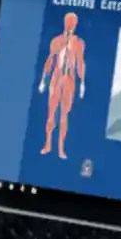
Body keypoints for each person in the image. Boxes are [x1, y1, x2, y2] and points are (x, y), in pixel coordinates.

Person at [38, 12, 86, 159]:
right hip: (56, 78)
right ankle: (47, 144)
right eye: (68, 22)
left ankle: (61, 148)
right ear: (65, 23)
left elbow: (80, 63)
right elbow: (50, 60)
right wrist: (43, 79)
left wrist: (82, 82)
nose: (70, 25)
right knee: (51, 113)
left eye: (73, 22)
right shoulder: (56, 41)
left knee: (64, 115)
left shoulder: (79, 43)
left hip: (69, 80)